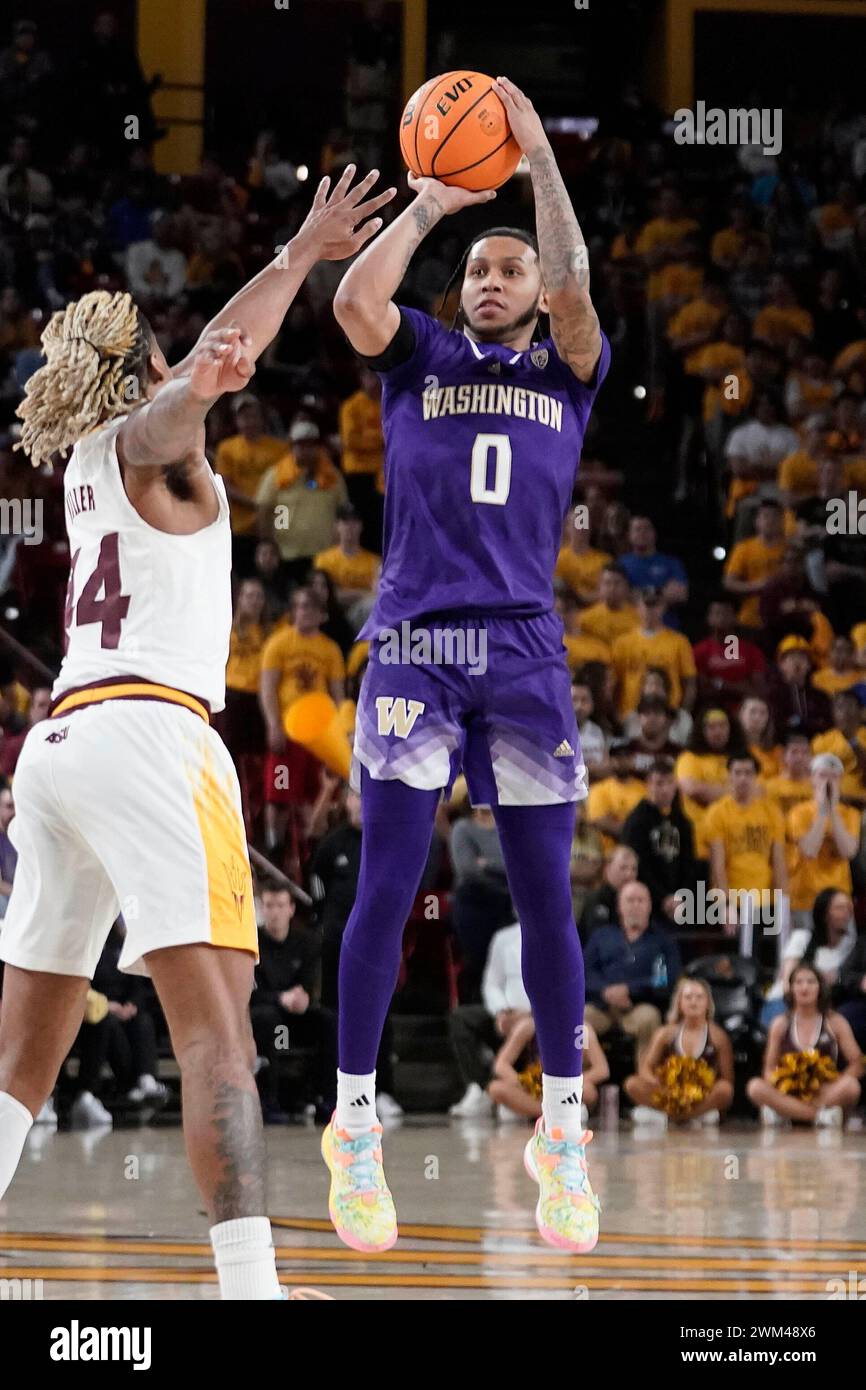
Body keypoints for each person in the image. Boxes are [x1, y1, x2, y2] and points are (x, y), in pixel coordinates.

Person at [0, 162, 394, 1301]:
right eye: (173, 352)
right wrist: (202, 391)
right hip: (151, 740)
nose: (195, 354)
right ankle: (251, 1293)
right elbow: (170, 417)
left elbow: (209, 357)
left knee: (25, 1053)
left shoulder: (83, 457)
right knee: (218, 1030)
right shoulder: (148, 437)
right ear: (145, 373)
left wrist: (299, 256)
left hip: (62, 749)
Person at [328, 76, 609, 1254]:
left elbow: (578, 285)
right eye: (477, 271)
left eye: (512, 271)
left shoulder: (568, 368)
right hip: (415, 645)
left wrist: (536, 155)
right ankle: (351, 1125)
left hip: (525, 652)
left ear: (534, 297)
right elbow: (351, 297)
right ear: (459, 293)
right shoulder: (420, 354)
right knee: (389, 882)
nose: (494, 281)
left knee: (548, 899)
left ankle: (562, 1129)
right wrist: (432, 203)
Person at [258, 586, 346, 872]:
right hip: (288, 731)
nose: (304, 612)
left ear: (321, 615)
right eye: (299, 606)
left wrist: (342, 732)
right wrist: (273, 724)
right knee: (278, 793)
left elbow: (338, 694)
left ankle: (312, 853)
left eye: (310, 607)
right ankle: (275, 847)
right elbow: (268, 688)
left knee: (316, 794)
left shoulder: (330, 649)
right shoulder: (279, 643)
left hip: (319, 734)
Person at [249, 887, 337, 1124]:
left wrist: (304, 997)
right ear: (261, 909)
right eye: (269, 906)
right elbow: (251, 993)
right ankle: (270, 1100)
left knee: (328, 1021)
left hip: (296, 1014)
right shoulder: (253, 942)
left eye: (280, 906)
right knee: (266, 1019)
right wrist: (280, 999)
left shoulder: (307, 941)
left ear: (291, 909)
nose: (274, 912)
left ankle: (328, 1099)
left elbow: (309, 983)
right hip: (267, 1012)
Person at [746, 962, 862, 1127]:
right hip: (790, 1092)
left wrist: (836, 1085)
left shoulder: (835, 1021)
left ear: (820, 987)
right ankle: (818, 1116)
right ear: (791, 988)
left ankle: (787, 1113)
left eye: (811, 982)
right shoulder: (780, 1024)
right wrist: (784, 1089)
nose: (804, 987)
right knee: (755, 1087)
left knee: (851, 1087)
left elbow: (857, 1063)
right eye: (798, 982)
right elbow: (769, 1068)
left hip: (824, 1090)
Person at [584, 880, 682, 1060]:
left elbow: (665, 980)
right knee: (579, 1021)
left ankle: (644, 1082)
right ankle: (579, 1082)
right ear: (619, 906)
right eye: (630, 900)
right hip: (602, 1006)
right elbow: (584, 973)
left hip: (639, 1006)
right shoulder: (601, 936)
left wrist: (629, 990)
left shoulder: (663, 940)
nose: (635, 905)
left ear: (649, 905)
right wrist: (606, 991)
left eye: (640, 900)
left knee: (649, 1018)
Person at [448, 919, 531, 1120]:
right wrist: (501, 1011)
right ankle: (479, 1087)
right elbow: (491, 983)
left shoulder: (558, 934)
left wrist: (529, 1013)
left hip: (538, 1017)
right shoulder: (504, 937)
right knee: (462, 1018)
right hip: (506, 1013)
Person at [624, 977, 734, 1127]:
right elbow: (645, 1067)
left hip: (701, 1096)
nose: (693, 1002)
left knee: (725, 1090)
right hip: (669, 1093)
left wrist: (702, 1088)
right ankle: (687, 1117)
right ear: (680, 1003)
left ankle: (675, 1117)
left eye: (699, 997)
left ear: (708, 1003)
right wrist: (657, 1084)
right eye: (688, 997)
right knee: (632, 1084)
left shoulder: (718, 1037)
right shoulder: (666, 1033)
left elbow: (727, 1079)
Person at [703, 753, 787, 936]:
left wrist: (784, 906)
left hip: (766, 900)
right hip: (735, 901)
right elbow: (717, 865)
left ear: (756, 777)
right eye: (737, 772)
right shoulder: (717, 813)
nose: (743, 778)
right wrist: (725, 906)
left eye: (748, 773)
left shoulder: (771, 812)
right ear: (729, 776)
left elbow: (779, 862)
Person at [761, 888, 858, 1027]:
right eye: (839, 908)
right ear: (824, 914)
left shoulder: (851, 946)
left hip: (822, 1007)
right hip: (784, 1002)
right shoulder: (802, 937)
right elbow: (787, 981)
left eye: (849, 907)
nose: (847, 913)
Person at [787, 753, 861, 934]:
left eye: (834, 776)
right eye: (822, 775)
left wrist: (833, 811)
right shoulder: (798, 812)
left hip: (839, 899)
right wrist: (822, 812)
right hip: (805, 899)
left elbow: (848, 851)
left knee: (843, 959)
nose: (828, 782)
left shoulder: (850, 814)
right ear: (812, 778)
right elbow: (809, 850)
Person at [489, 1014, 609, 1126]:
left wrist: (569, 1083)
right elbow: (501, 1065)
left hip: (567, 1088)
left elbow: (601, 1070)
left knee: (588, 1090)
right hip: (535, 1088)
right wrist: (522, 1082)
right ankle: (551, 1114)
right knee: (496, 1088)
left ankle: (532, 1111)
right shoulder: (528, 1027)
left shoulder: (580, 1029)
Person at [214, 394, 287, 576]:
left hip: (274, 524)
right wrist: (256, 502)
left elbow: (286, 484)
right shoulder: (226, 449)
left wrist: (267, 507)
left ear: (262, 418)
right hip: (241, 526)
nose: (249, 421)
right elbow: (225, 485)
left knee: (276, 574)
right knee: (244, 574)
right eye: (244, 417)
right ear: (237, 420)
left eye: (254, 416)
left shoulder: (280, 448)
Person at [622, 757, 698, 923]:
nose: (665, 789)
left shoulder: (682, 822)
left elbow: (688, 863)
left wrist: (681, 896)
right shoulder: (637, 821)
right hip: (648, 902)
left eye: (669, 783)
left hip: (680, 902)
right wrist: (663, 898)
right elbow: (638, 865)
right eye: (659, 783)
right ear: (648, 784)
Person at [611, 586, 696, 719]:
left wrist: (683, 713)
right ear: (638, 607)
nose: (650, 610)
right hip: (631, 714)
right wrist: (616, 715)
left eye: (655, 604)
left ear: (663, 607)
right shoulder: (622, 643)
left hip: (669, 715)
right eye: (647, 604)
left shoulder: (679, 641)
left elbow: (689, 682)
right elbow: (615, 684)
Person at [577, 843, 638, 940]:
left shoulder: (638, 900)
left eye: (634, 869)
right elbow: (600, 940)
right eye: (623, 867)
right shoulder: (597, 899)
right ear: (607, 868)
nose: (629, 874)